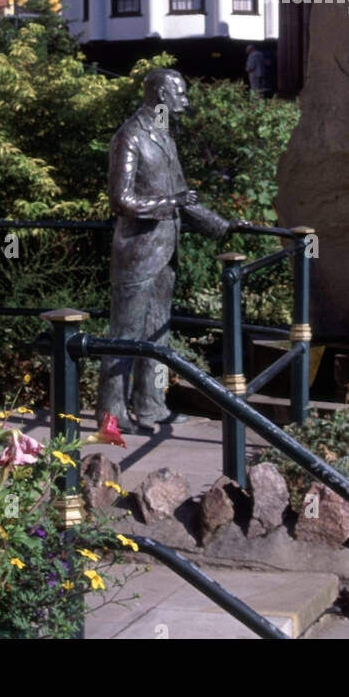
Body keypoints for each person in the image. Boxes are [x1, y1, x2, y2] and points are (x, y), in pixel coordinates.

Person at [96, 69, 248, 431]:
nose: (185, 101)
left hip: (165, 251)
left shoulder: (165, 135)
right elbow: (121, 200)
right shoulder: (129, 136)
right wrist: (171, 201)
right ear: (161, 93)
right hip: (137, 252)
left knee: (157, 333)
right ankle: (111, 416)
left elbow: (183, 195)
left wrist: (220, 225)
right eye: (179, 94)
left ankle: (151, 405)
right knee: (125, 335)